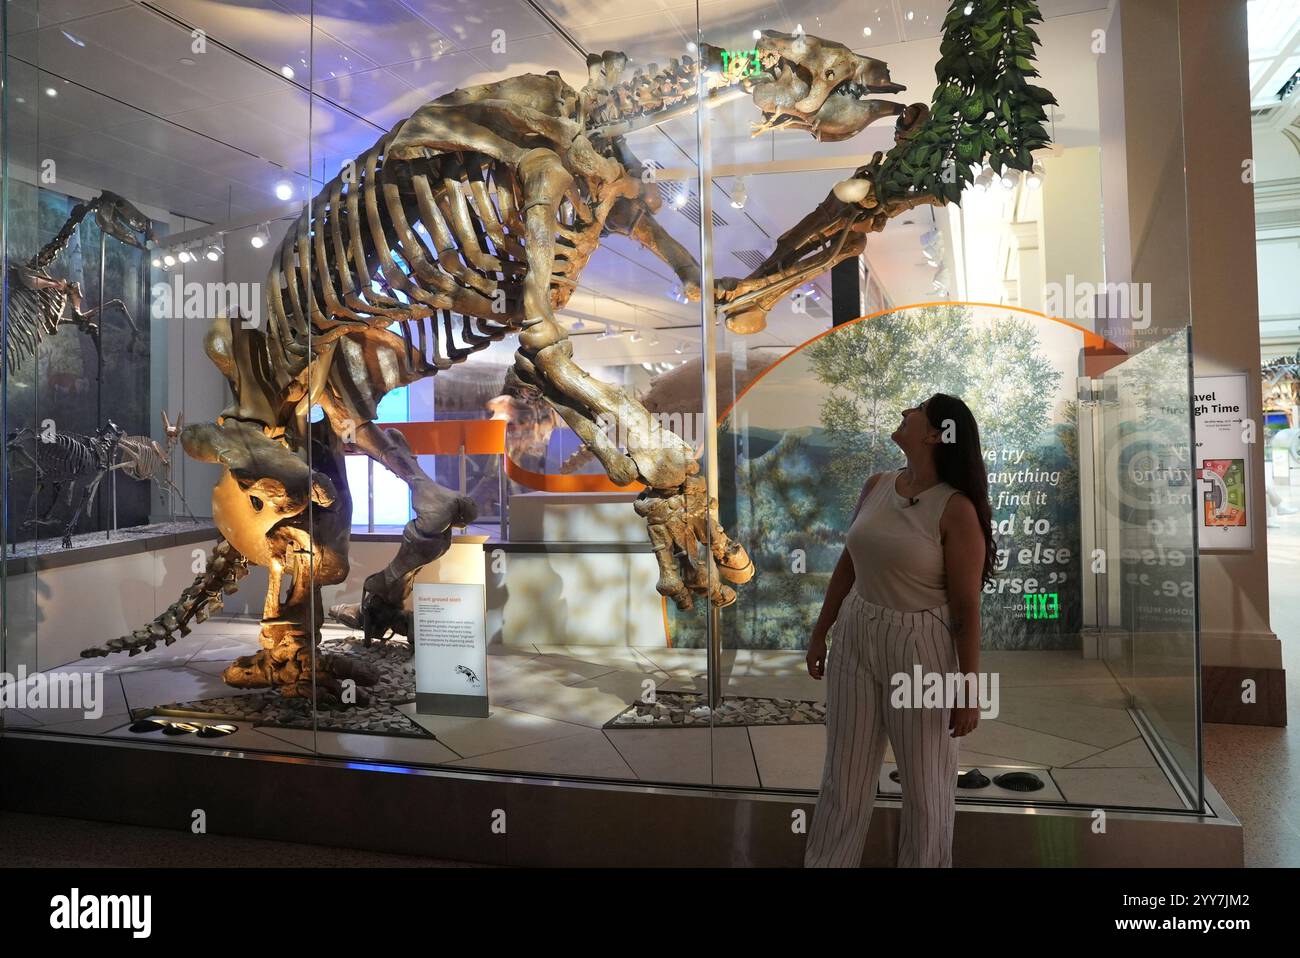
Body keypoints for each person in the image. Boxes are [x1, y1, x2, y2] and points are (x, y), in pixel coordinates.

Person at [802, 393, 996, 868]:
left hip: (922, 647)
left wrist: (968, 689)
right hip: (856, 634)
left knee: (926, 786)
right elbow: (848, 565)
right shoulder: (877, 485)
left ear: (935, 434)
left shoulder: (955, 510)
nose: (906, 413)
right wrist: (821, 629)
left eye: (917, 410)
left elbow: (967, 610)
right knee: (842, 779)